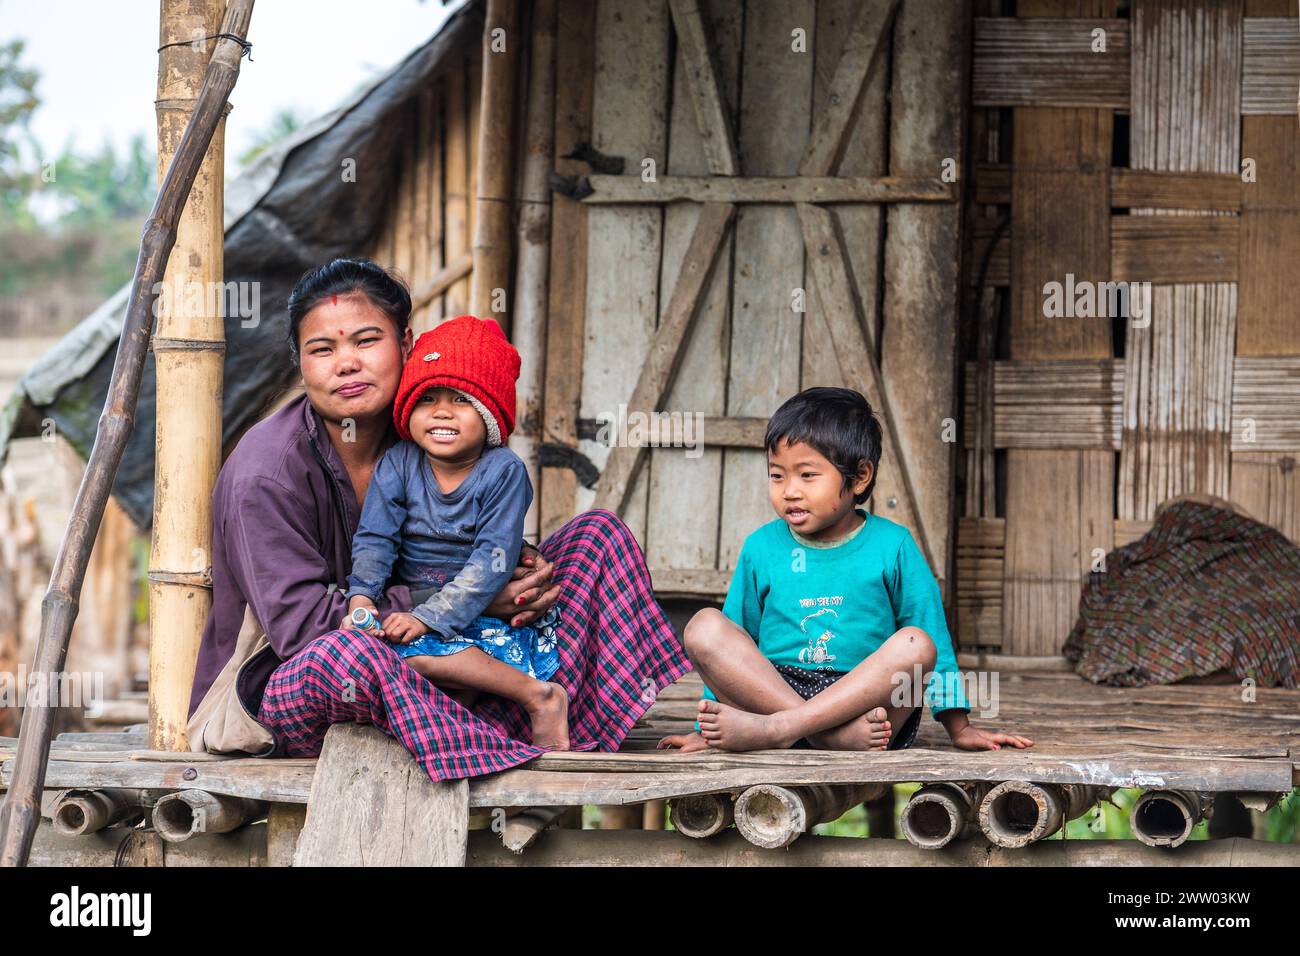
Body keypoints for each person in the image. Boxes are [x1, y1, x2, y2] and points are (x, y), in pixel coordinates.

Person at [188, 257, 690, 780]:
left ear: (406, 344)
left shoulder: (426, 430)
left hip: (438, 664)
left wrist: (514, 569)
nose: (346, 363)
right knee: (348, 655)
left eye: (365, 341)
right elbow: (303, 631)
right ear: (301, 364)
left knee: (598, 538)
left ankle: (543, 735)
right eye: (322, 349)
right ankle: (497, 744)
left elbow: (471, 534)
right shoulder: (265, 474)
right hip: (295, 694)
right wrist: (448, 599)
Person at [658, 386, 1034, 754]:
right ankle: (824, 736)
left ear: (859, 477)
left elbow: (932, 633)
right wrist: (707, 725)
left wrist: (959, 726)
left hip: (867, 706)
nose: (789, 491)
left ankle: (780, 729)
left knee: (917, 643)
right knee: (704, 626)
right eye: (777, 475)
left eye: (807, 475)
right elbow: (735, 640)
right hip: (774, 690)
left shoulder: (892, 545)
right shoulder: (761, 547)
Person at [341, 314, 569, 749]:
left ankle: (540, 698)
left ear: (489, 417)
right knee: (413, 685)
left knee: (414, 660)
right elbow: (376, 538)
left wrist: (427, 618)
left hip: (481, 610)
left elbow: (490, 561)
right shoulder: (399, 463)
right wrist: (362, 598)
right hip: (423, 609)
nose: (442, 411)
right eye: (428, 399)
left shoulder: (503, 472)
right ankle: (477, 757)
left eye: (461, 401)